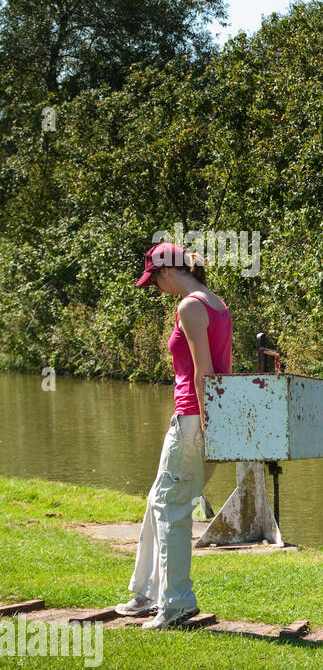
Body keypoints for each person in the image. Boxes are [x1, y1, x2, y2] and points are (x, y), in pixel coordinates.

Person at [115, 242, 232, 629]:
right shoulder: (216, 302)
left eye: (154, 281)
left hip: (193, 419)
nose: (156, 289)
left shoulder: (191, 306)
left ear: (166, 271)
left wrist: (210, 431)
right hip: (205, 419)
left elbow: (205, 373)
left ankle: (177, 603)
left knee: (171, 509)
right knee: (159, 501)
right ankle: (146, 593)